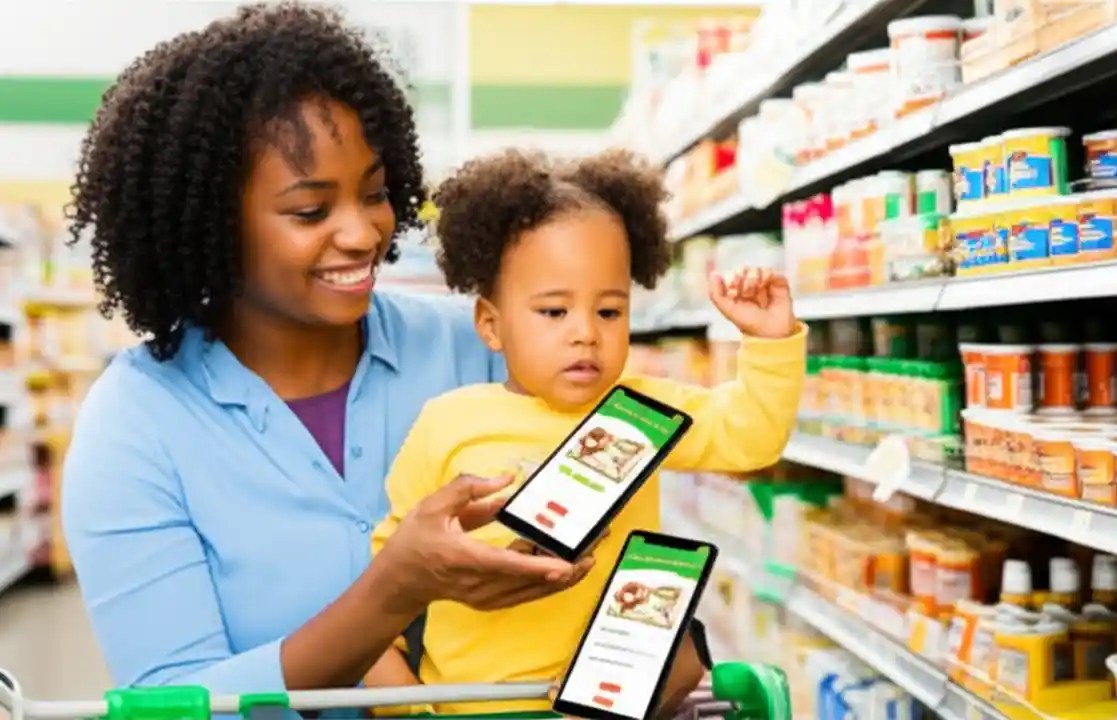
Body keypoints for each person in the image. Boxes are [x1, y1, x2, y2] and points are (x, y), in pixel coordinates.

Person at [58, 2, 594, 704]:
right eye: (310, 211)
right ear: (211, 224)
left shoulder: (483, 346)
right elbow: (172, 700)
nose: (363, 233)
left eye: (374, 193)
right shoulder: (136, 423)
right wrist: (393, 592)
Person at [367, 148, 808, 716]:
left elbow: (751, 437)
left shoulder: (642, 412)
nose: (585, 335)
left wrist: (770, 342)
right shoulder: (447, 423)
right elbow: (392, 568)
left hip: (612, 702)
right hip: (470, 707)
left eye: (609, 312)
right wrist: (403, 703)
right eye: (554, 312)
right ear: (491, 325)